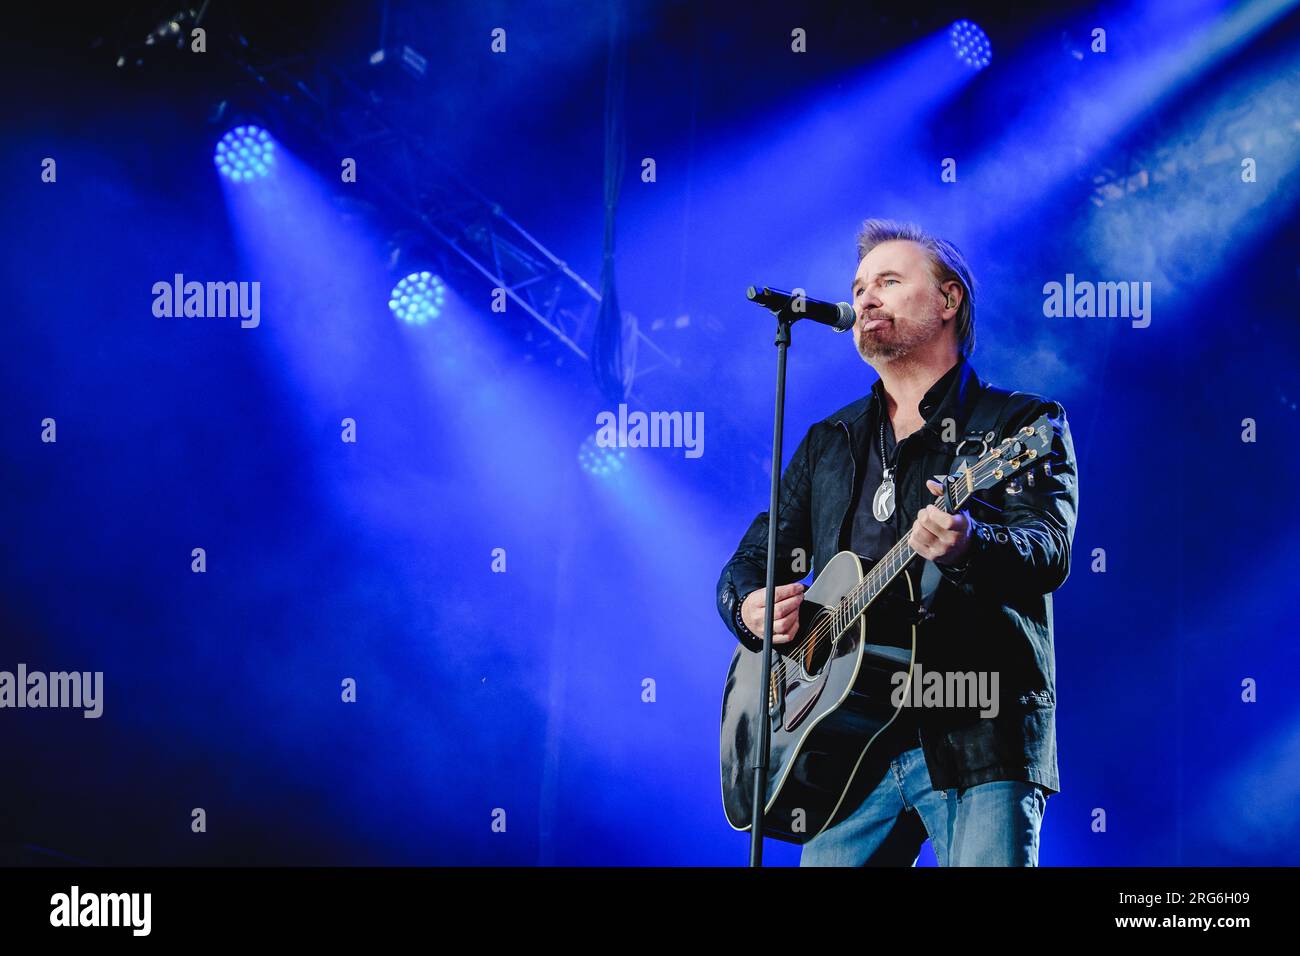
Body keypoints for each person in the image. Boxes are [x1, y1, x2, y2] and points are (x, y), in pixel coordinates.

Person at [715, 219, 1079, 866]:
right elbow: (753, 559)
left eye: (888, 281)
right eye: (859, 288)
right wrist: (749, 606)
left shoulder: (1019, 425)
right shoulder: (830, 441)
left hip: (978, 732)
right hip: (842, 749)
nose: (865, 299)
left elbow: (1046, 550)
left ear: (948, 301)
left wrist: (971, 543)